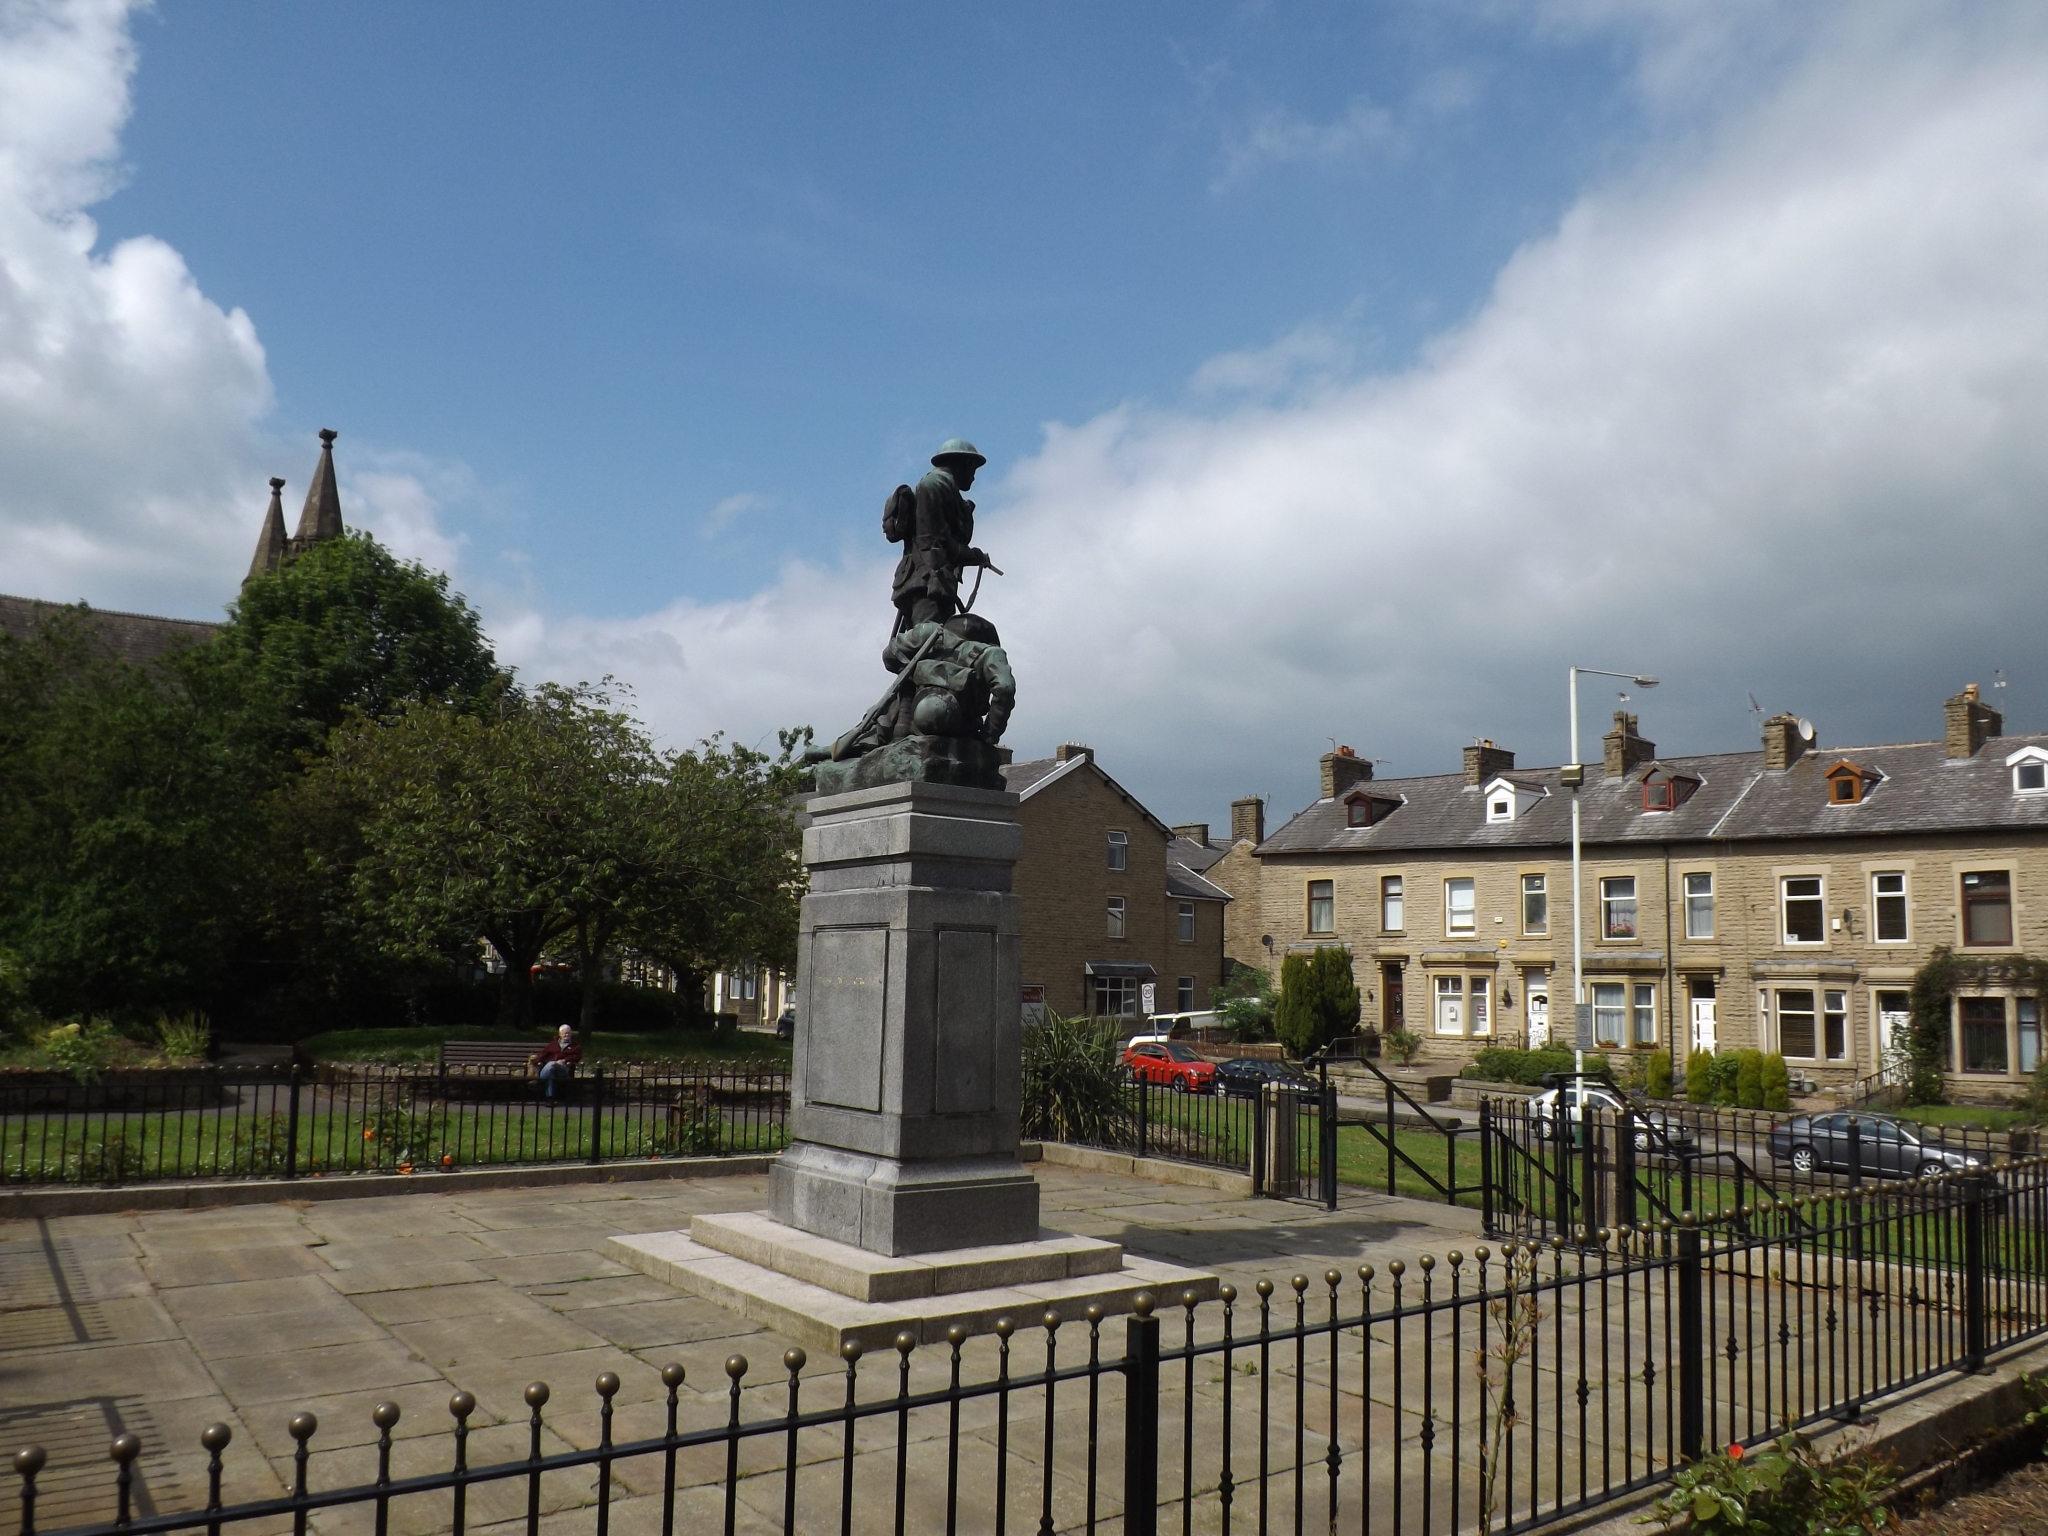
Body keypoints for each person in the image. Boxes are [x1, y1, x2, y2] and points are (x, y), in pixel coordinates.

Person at [885, 439, 995, 631]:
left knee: (934, 640)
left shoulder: (944, 487)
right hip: (928, 580)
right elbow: (935, 540)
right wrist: (972, 555)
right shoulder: (935, 485)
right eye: (973, 470)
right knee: (930, 639)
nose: (974, 477)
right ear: (962, 464)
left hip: (930, 580)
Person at [529, 1024, 581, 1100]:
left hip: (563, 1069)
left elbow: (577, 1057)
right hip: (550, 1068)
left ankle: (540, 1079)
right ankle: (550, 1098)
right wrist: (537, 1059)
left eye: (568, 1033)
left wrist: (564, 1060)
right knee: (550, 1073)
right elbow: (544, 1054)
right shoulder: (553, 1044)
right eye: (565, 1033)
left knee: (551, 1064)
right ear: (560, 1034)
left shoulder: (575, 1046)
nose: (567, 1035)